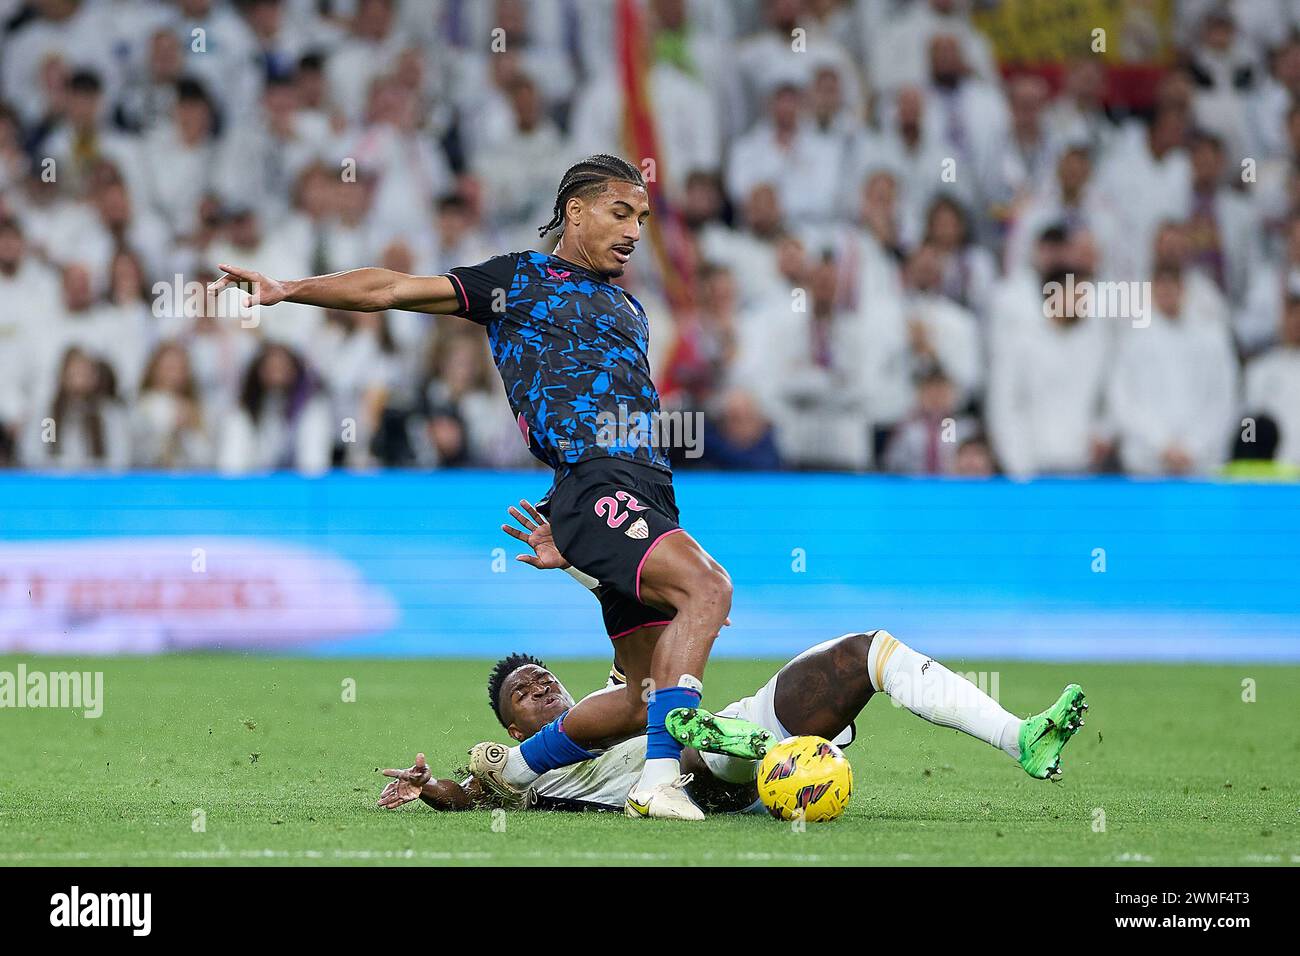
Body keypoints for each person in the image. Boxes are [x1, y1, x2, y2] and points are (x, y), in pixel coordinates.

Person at [210, 154, 738, 820]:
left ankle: (506, 776)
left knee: (640, 695)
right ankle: (660, 780)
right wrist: (290, 289)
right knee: (709, 588)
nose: (634, 230)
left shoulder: (630, 305)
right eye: (619, 212)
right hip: (594, 486)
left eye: (641, 217)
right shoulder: (520, 279)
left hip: (649, 492)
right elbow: (393, 289)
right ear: (575, 211)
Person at [376, 505, 1088, 815]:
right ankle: (687, 756)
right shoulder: (516, 774)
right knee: (655, 709)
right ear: (511, 729)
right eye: (525, 697)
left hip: (734, 739)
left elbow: (636, 621)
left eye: (543, 680)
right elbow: (469, 792)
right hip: (707, 775)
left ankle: (1018, 736)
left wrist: (581, 566)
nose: (541, 690)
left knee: (865, 652)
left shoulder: (613, 692)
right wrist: (430, 786)